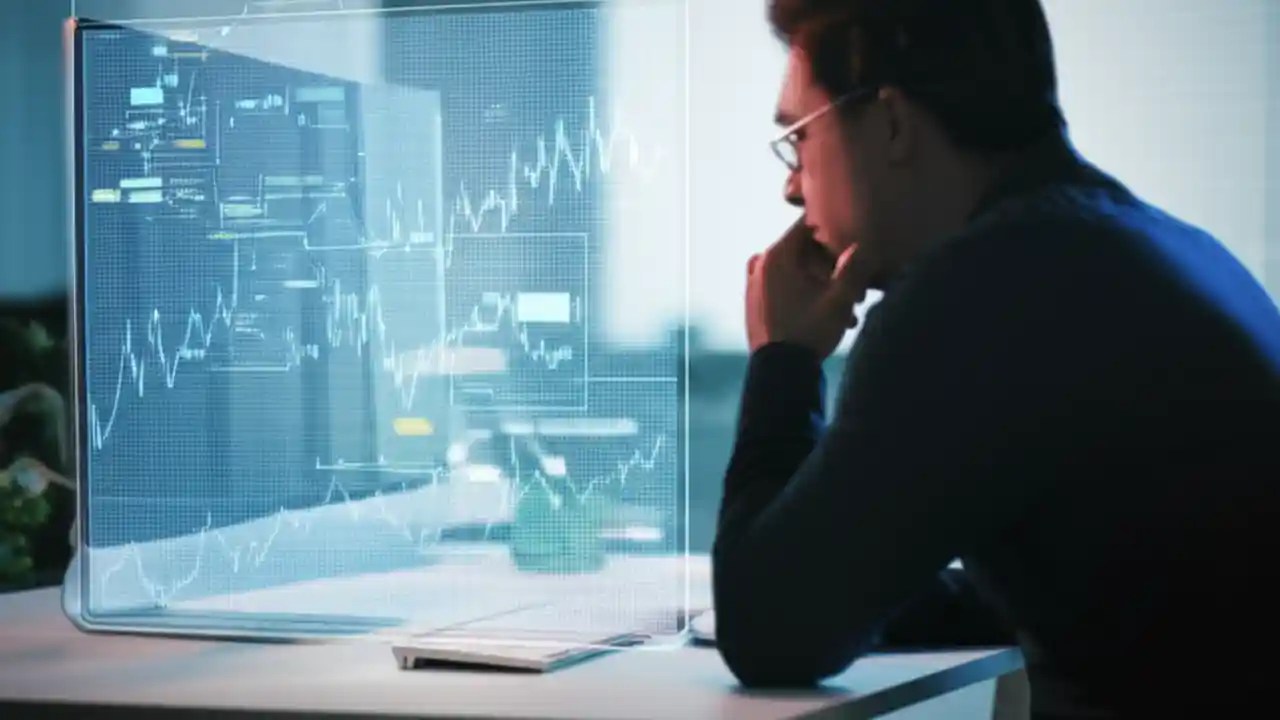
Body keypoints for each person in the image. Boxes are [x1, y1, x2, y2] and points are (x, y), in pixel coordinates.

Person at [712, 0, 1280, 717]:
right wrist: (853, 572)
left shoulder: (973, 296)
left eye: (798, 138)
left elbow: (769, 633)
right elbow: (1107, 580)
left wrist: (785, 358)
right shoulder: (1166, 250)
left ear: (890, 124)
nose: (792, 186)